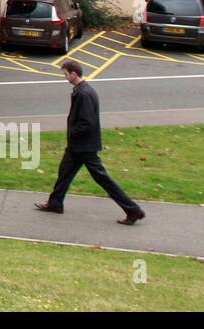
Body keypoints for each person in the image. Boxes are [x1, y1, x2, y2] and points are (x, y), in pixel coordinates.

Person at [35, 58, 146, 225]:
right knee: (64, 172)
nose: (64, 77)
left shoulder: (84, 93)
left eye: (65, 74)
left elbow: (87, 122)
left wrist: (72, 133)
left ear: (73, 73)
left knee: (103, 179)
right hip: (77, 146)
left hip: (84, 147)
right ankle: (55, 203)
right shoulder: (82, 90)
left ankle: (133, 210)